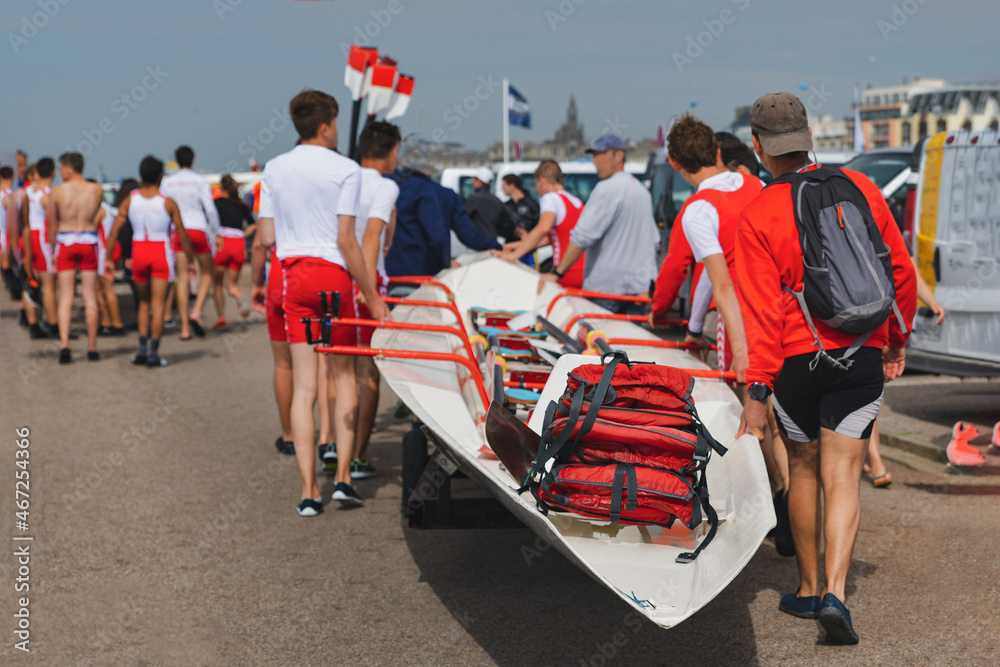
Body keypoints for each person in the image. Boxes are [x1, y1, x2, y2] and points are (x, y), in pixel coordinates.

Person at [735, 91, 916, 644]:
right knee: (844, 477)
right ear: (808, 136)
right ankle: (838, 591)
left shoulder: (757, 213)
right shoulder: (860, 187)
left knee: (806, 472)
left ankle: (809, 590)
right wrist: (894, 339)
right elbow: (899, 271)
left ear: (758, 146)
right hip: (860, 351)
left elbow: (762, 314)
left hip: (795, 360)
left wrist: (757, 392)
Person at [256, 89, 390, 517]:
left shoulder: (274, 169)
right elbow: (346, 240)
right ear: (327, 125)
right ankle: (345, 480)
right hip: (333, 278)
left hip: (293, 276)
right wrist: (372, 298)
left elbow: (265, 237)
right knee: (344, 378)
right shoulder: (345, 169)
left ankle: (309, 490)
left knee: (305, 386)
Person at [664, 115, 761, 381]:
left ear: (674, 163)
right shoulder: (758, 185)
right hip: (779, 315)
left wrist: (696, 330)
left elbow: (720, 283)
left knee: (744, 414)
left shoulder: (698, 209)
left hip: (739, 324)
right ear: (716, 151)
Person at [538, 134, 658, 313]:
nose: (595, 162)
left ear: (618, 156)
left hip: (605, 290)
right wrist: (649, 283)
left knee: (596, 338)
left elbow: (582, 237)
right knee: (628, 340)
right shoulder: (641, 191)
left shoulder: (606, 188)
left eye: (600, 155)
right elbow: (653, 241)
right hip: (635, 290)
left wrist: (557, 273)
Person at [345, 120, 401, 480]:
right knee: (367, 373)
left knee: (336, 371)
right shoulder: (386, 186)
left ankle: (334, 445)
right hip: (367, 280)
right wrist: (371, 295)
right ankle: (358, 456)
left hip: (336, 276)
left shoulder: (344, 178)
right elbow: (372, 239)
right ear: (391, 150)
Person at [105, 156, 196, 368]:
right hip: (160, 254)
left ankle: (142, 350)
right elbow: (182, 235)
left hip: (139, 253)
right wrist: (190, 261)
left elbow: (114, 232)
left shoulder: (130, 199)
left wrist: (109, 258)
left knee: (143, 304)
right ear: (160, 176)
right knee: (158, 305)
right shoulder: (167, 202)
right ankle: (154, 353)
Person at [47, 153, 105, 363]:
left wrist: (53, 250)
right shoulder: (96, 190)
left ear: (69, 169)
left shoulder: (57, 192)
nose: (60, 173)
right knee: (90, 296)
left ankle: (65, 345)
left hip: (66, 240)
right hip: (88, 240)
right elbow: (97, 215)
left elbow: (53, 224)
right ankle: (92, 347)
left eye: (61, 168)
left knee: (66, 296)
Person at [160, 145, 221, 339]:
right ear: (193, 160)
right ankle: (197, 311)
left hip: (178, 232)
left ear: (176, 161)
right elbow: (210, 208)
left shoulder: (167, 182)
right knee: (207, 274)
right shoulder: (200, 180)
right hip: (199, 229)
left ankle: (185, 328)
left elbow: (163, 207)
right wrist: (217, 232)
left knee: (182, 278)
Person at [500, 160, 585, 288]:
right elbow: (548, 240)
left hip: (565, 272)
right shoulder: (577, 202)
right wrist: (509, 247)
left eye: (536, 184)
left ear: (542, 181)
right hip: (583, 272)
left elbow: (543, 229)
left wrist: (513, 256)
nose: (536, 189)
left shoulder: (550, 198)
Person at [211, 174, 256, 330]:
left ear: (221, 187)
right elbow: (253, 225)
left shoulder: (215, 203)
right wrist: (243, 235)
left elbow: (209, 222)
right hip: (238, 244)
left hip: (222, 243)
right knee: (232, 285)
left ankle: (222, 317)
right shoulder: (241, 205)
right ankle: (241, 302)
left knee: (217, 284)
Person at [20, 158, 59, 338]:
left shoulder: (26, 191)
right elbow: (53, 224)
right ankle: (54, 326)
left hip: (27, 237)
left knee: (30, 281)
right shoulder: (48, 194)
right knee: (49, 285)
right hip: (43, 240)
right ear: (53, 172)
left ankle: (33, 324)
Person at [96, 185, 125, 337]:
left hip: (102, 251)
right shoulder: (106, 207)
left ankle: (116, 323)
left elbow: (91, 228)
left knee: (105, 288)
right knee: (101, 288)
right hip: (106, 250)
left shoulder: (98, 209)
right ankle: (107, 322)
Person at [498, 174, 539, 245]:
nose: (503, 189)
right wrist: (513, 232)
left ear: (512, 185)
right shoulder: (506, 206)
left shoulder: (531, 203)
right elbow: (500, 227)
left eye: (504, 186)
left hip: (530, 246)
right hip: (511, 246)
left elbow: (539, 224)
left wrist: (527, 233)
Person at [464, 166, 503, 239]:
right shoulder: (496, 200)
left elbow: (464, 219)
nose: (473, 182)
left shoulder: (474, 198)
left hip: (479, 242)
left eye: (474, 179)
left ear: (479, 181)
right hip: (493, 242)